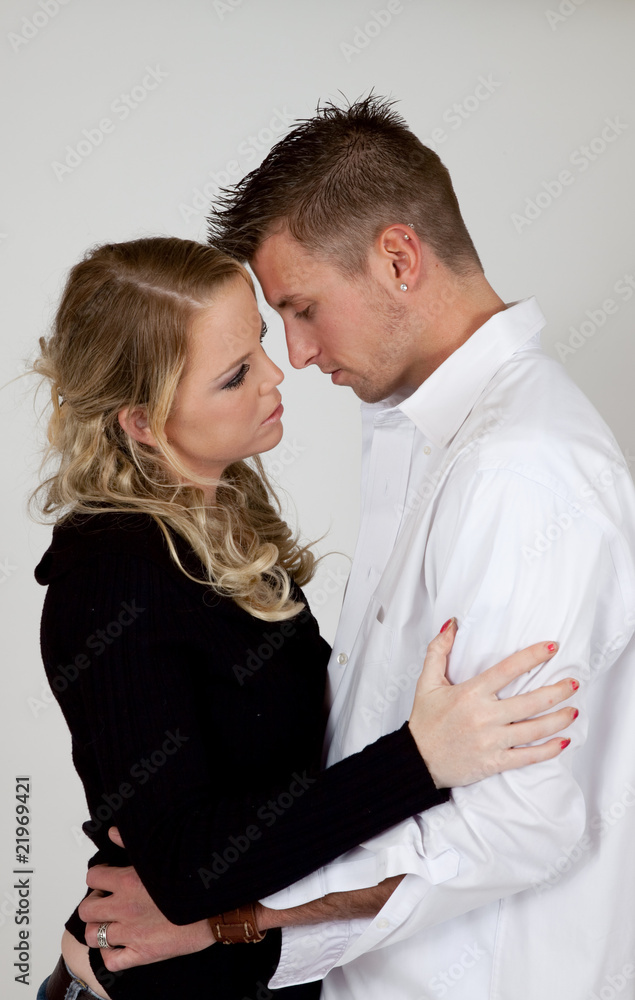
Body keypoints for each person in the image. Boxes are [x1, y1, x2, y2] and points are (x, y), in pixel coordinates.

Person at [82, 96, 635, 999]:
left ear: (398, 259)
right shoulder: (413, 427)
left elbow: (512, 823)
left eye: (301, 310)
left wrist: (228, 919)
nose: (296, 357)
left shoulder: (520, 472)